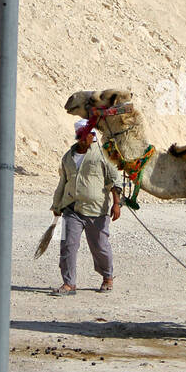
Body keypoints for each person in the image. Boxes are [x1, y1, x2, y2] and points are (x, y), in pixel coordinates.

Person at [50, 119, 121, 294]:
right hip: (71, 209)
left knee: (100, 247)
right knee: (68, 245)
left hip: (97, 210)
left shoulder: (103, 155)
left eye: (90, 134)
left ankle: (107, 277)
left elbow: (114, 180)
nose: (87, 138)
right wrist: (57, 205)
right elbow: (63, 182)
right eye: (83, 134)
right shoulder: (68, 157)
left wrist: (117, 203)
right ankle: (69, 284)